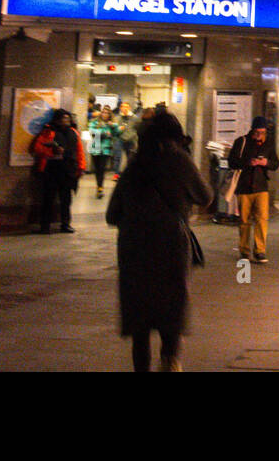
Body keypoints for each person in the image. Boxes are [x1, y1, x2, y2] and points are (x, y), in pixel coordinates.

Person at [106, 110, 212, 372]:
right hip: (170, 246)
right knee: (170, 311)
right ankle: (170, 362)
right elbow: (205, 196)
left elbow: (111, 214)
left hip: (133, 249)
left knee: (140, 319)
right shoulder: (180, 161)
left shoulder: (135, 164)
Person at [229, 117, 278, 263]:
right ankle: (244, 250)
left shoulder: (268, 144)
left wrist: (266, 162)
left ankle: (260, 251)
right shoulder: (241, 142)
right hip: (244, 186)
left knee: (262, 219)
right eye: (258, 132)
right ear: (252, 130)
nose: (260, 135)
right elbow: (232, 161)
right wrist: (247, 162)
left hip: (262, 186)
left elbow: (276, 163)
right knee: (244, 220)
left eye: (263, 132)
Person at [32, 109, 86, 233]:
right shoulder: (49, 131)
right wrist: (52, 151)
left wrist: (81, 167)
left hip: (68, 170)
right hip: (52, 169)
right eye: (63, 118)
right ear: (57, 119)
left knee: (66, 199)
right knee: (48, 199)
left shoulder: (73, 132)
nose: (65, 121)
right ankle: (45, 226)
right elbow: (38, 148)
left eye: (67, 118)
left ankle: (65, 224)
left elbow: (79, 151)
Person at [88, 106, 121, 198]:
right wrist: (104, 132)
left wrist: (114, 127)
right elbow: (92, 131)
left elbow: (117, 134)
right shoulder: (95, 122)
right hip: (95, 149)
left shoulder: (111, 124)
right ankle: (99, 185)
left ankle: (100, 188)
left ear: (109, 115)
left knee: (102, 169)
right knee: (97, 170)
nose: (105, 114)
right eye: (103, 112)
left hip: (106, 149)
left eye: (107, 113)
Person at [117, 103, 139, 172]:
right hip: (120, 139)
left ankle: (130, 171)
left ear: (129, 108)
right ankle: (117, 173)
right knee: (118, 157)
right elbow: (115, 129)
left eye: (126, 107)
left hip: (131, 140)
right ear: (120, 108)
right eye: (123, 107)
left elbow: (137, 129)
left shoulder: (134, 118)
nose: (125, 108)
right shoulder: (118, 118)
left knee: (130, 157)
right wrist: (119, 129)